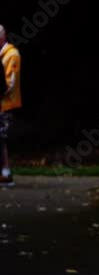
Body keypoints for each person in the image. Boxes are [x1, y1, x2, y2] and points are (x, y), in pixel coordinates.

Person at [0, 25, 22, 186]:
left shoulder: (12, 55)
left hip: (6, 104)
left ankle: (6, 173)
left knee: (1, 139)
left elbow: (10, 83)